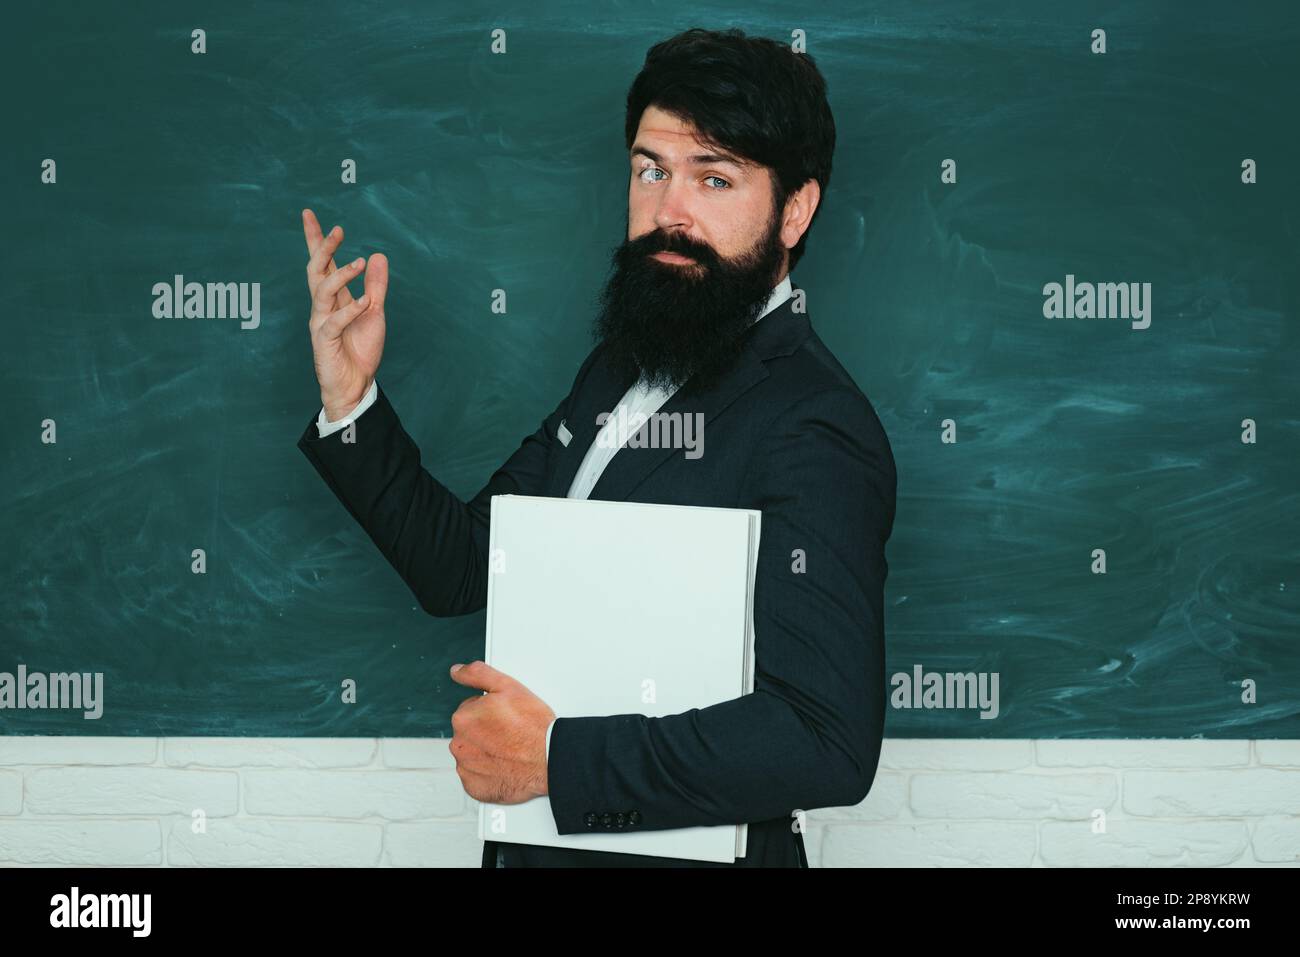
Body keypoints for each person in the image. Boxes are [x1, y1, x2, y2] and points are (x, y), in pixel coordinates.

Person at [297, 27, 897, 867]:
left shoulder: (815, 423)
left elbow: (824, 739)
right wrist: (350, 398)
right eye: (651, 169)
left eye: (713, 178)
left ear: (795, 209)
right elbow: (467, 565)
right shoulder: (619, 369)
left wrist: (551, 760)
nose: (669, 211)